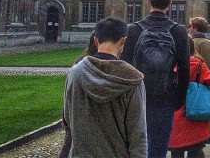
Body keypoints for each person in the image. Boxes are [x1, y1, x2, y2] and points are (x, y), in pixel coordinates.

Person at [60, 18, 147, 158]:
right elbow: (137, 135)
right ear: (123, 41)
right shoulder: (132, 79)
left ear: (95, 40)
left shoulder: (75, 73)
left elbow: (67, 121)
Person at [121, 0, 190, 158]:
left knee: (134, 149)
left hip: (137, 98)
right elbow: (184, 71)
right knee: (158, 150)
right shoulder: (179, 31)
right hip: (165, 98)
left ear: (148, 1)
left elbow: (124, 67)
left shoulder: (133, 30)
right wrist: (178, 100)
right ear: (170, 4)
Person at [168, 37, 210, 158]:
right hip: (197, 114)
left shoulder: (171, 66)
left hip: (176, 115)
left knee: (176, 152)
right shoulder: (200, 65)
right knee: (195, 151)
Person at [189, 17, 210, 84]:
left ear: (195, 28)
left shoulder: (188, 44)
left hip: (191, 85)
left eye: (190, 26)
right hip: (208, 83)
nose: (189, 29)